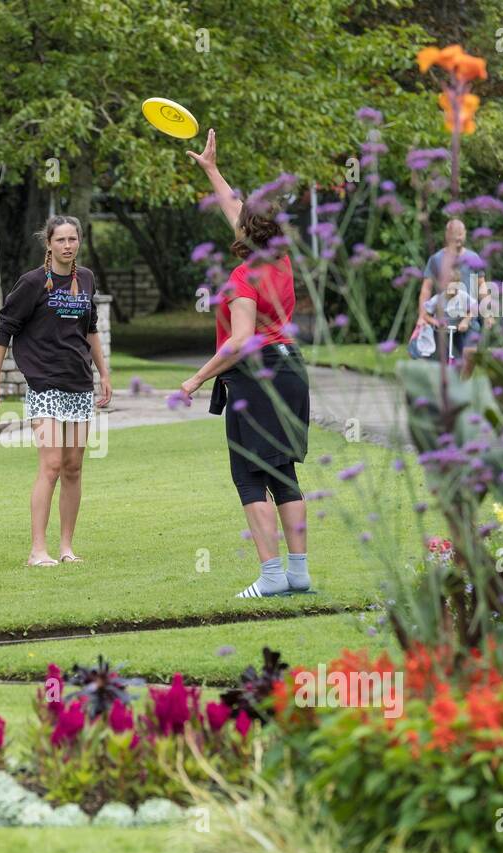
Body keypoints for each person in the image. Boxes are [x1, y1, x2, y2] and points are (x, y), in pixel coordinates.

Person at [179, 129, 311, 599]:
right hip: (291, 370)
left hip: (257, 380)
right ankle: (298, 574)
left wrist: (194, 379)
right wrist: (212, 170)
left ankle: (272, 577)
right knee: (284, 473)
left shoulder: (242, 277)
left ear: (244, 234)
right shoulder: (282, 259)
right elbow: (240, 213)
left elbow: (237, 343)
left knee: (250, 475)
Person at [0, 215, 112, 567]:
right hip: (44, 385)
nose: (68, 246)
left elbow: (91, 329)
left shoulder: (85, 279)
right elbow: (4, 330)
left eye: (73, 240)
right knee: (52, 465)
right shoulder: (33, 283)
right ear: (49, 244)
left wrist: (103, 373)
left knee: (73, 467)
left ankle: (66, 548)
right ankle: (37, 550)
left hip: (78, 383)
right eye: (61, 240)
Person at [411, 219, 492, 365]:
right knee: (441, 363)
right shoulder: (436, 259)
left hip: (468, 320)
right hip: (443, 323)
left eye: (461, 234)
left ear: (465, 234)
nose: (458, 237)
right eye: (455, 234)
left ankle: (464, 386)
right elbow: (426, 289)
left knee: (469, 357)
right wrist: (422, 316)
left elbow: (482, 287)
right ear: (447, 235)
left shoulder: (473, 258)